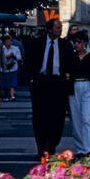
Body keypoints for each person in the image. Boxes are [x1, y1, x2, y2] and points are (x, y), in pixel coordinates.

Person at [27, 18, 76, 156]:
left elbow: (71, 63)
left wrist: (68, 75)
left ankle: (52, 144)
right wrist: (32, 78)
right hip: (41, 83)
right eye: (57, 28)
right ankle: (42, 148)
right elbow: (29, 61)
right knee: (39, 117)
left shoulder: (65, 45)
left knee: (58, 116)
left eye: (61, 28)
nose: (60, 30)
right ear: (49, 30)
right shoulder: (37, 43)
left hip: (58, 83)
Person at [0, 34, 22, 101]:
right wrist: (7, 56)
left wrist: (14, 56)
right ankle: (6, 96)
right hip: (5, 68)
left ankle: (12, 95)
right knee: (5, 82)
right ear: (4, 42)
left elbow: (19, 57)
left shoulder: (15, 48)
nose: (9, 43)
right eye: (7, 41)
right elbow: (0, 58)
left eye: (10, 41)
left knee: (13, 82)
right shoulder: (2, 49)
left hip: (13, 67)